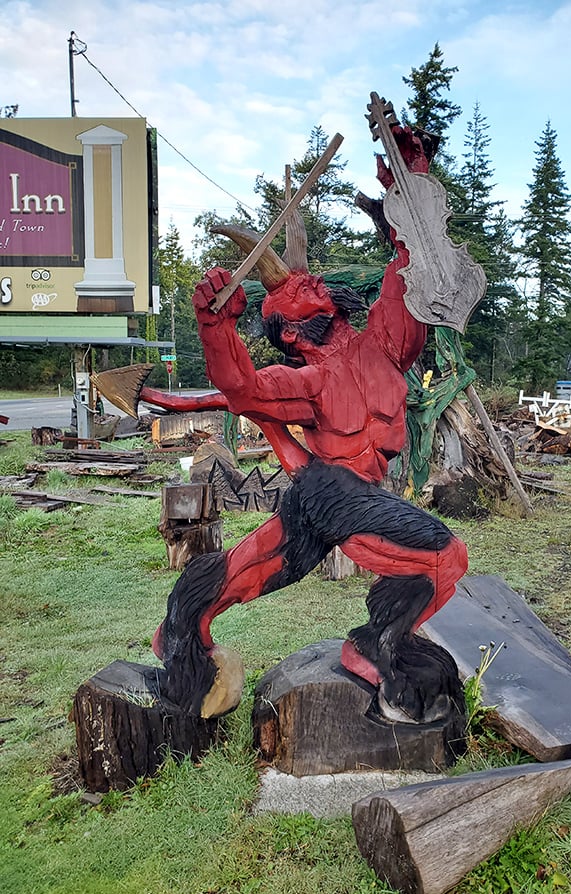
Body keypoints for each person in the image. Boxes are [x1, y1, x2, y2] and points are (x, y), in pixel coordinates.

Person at [151, 128, 468, 725]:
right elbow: (243, 388)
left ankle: (180, 630)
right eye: (296, 291)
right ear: (288, 330)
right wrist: (214, 326)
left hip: (343, 497)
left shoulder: (381, 344)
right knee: (446, 556)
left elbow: (409, 268)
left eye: (308, 280)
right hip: (333, 490)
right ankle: (377, 646)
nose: (312, 281)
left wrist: (408, 182)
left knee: (247, 574)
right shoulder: (306, 380)